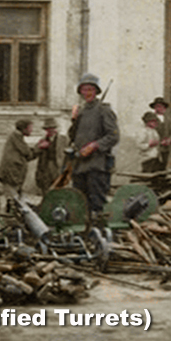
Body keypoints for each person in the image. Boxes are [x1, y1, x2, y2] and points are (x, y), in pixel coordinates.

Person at [68, 73, 120, 228]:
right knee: (79, 202)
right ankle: (83, 233)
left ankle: (100, 234)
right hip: (80, 165)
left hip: (97, 165)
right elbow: (73, 136)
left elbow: (114, 136)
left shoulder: (104, 110)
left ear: (96, 91)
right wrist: (74, 120)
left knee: (97, 204)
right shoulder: (82, 111)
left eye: (90, 89)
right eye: (84, 89)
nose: (87, 93)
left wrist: (94, 145)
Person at [0, 119, 37, 197]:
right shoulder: (16, 137)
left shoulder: (16, 137)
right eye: (30, 128)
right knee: (12, 198)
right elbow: (27, 153)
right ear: (24, 129)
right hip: (11, 175)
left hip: (13, 175)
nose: (31, 130)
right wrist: (39, 148)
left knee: (13, 197)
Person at [35, 117, 68, 195]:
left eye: (52, 128)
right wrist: (40, 146)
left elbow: (68, 152)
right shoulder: (43, 140)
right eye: (48, 129)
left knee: (58, 187)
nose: (50, 130)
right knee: (45, 186)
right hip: (45, 166)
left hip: (57, 165)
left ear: (55, 129)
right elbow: (35, 151)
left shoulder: (63, 139)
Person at [149, 97, 171, 170]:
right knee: (154, 167)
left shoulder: (168, 119)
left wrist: (169, 140)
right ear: (154, 108)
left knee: (164, 166)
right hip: (155, 148)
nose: (160, 108)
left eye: (162, 106)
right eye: (157, 106)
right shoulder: (151, 119)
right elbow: (149, 133)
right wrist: (158, 142)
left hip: (166, 148)